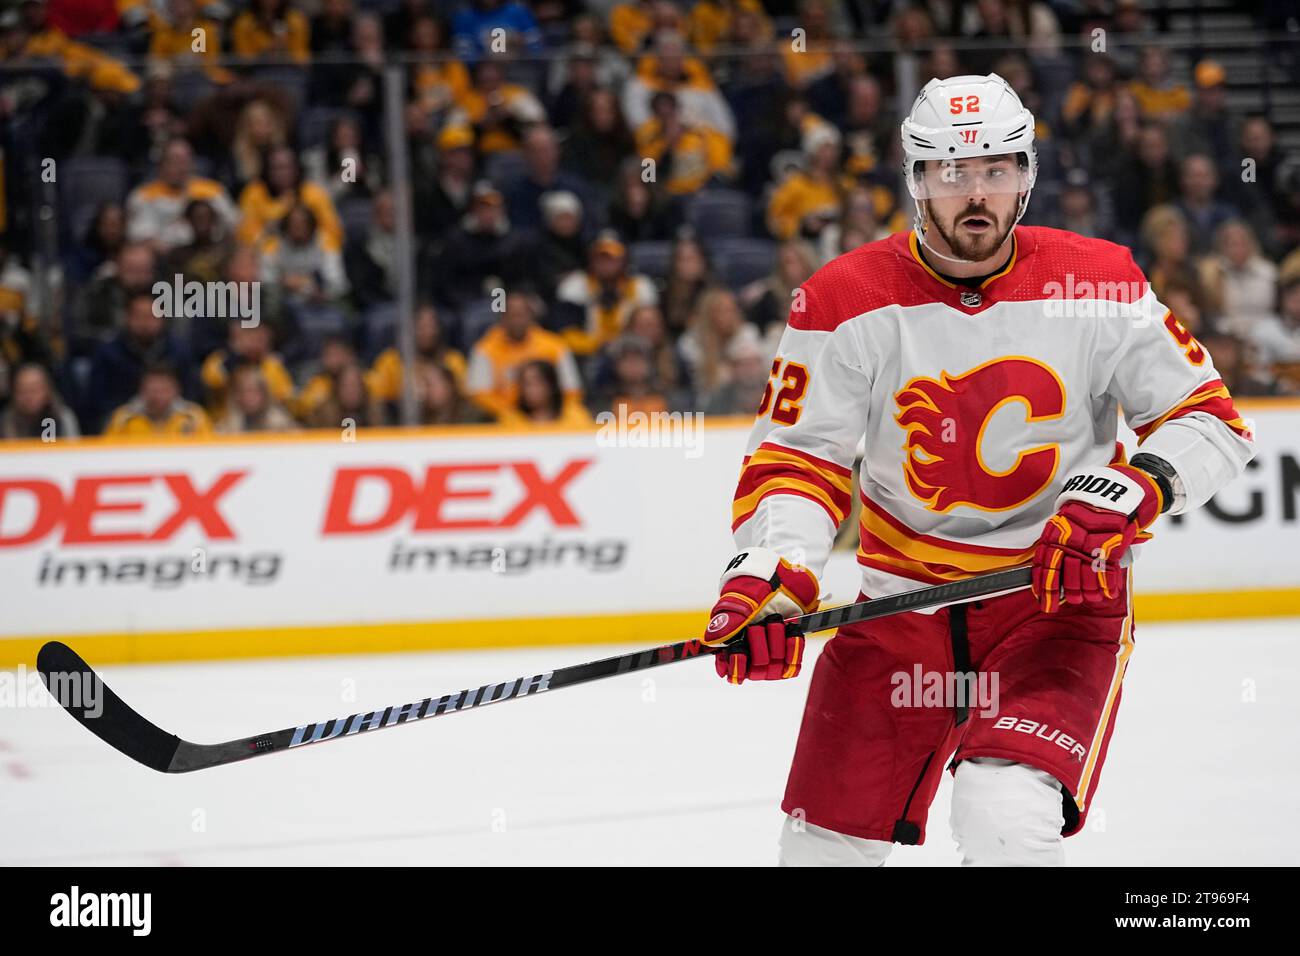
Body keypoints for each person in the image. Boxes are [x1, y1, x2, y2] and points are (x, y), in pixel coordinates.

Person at [700, 74, 1255, 867]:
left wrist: (1138, 484)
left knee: (1002, 818)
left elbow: (1210, 419)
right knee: (819, 851)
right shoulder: (843, 298)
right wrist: (775, 567)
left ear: (1026, 175)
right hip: (897, 613)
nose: (975, 193)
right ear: (916, 179)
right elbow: (800, 456)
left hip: (1054, 607)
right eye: (952, 172)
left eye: (996, 169)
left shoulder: (1095, 279)